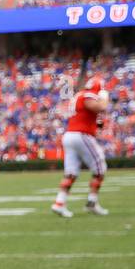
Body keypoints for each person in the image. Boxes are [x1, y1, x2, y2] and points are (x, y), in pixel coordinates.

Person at [53, 74, 111, 218]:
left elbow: (89, 118)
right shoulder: (87, 95)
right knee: (100, 167)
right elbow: (101, 107)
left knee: (70, 173)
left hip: (71, 135)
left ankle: (59, 203)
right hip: (80, 135)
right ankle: (92, 201)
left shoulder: (80, 95)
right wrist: (104, 96)